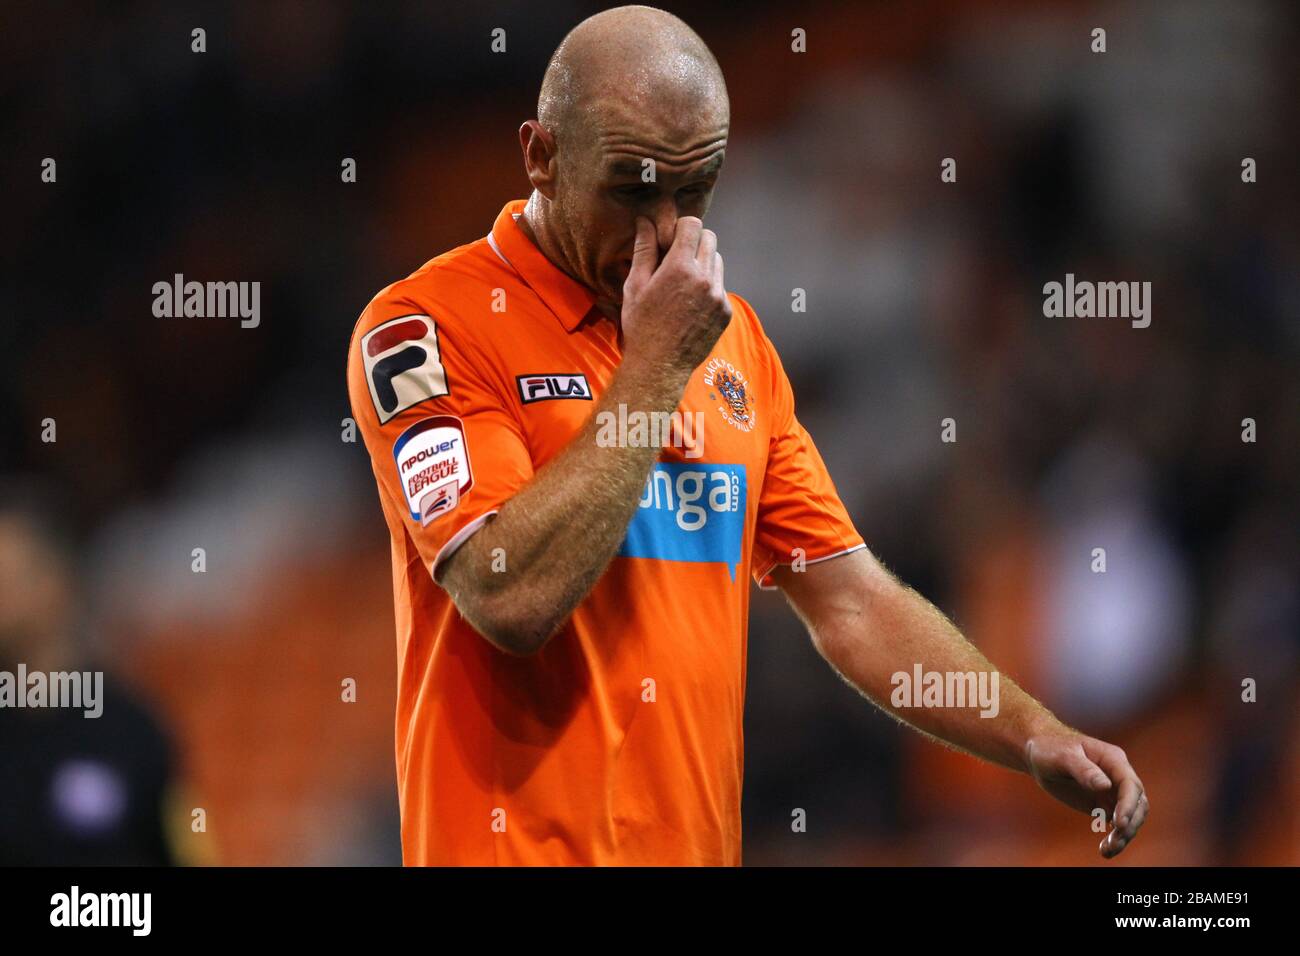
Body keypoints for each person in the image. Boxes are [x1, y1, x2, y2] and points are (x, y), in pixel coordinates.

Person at [346, 5, 1148, 865]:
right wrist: (653, 369)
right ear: (539, 154)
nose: (663, 228)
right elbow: (509, 598)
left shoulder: (734, 348)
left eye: (695, 191)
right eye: (631, 187)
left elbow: (848, 598)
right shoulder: (428, 327)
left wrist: (1032, 734)